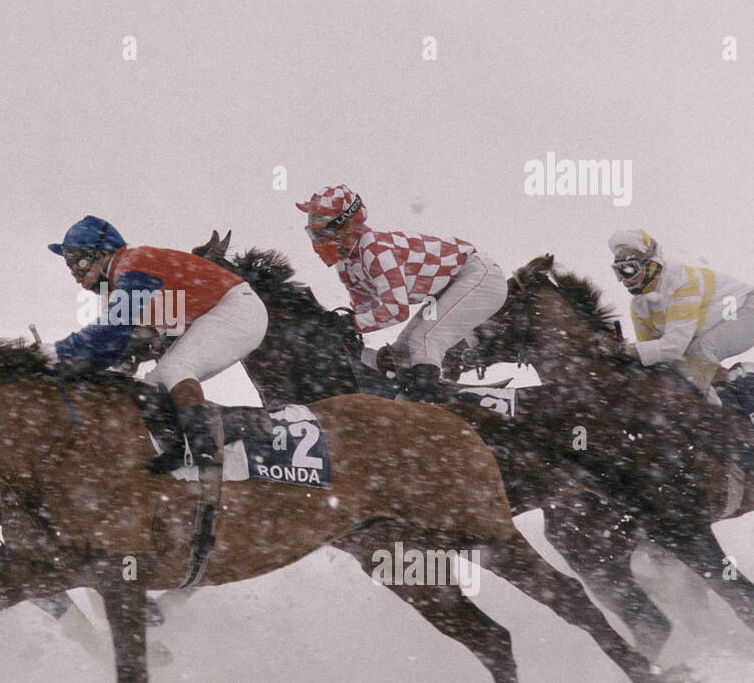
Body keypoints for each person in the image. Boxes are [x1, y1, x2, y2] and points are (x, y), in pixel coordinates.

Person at [47, 215, 268, 485]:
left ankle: (204, 449)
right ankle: (184, 446)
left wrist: (56, 352)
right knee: (152, 385)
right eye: (69, 266)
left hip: (238, 309)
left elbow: (111, 330)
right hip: (218, 313)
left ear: (104, 253)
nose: (75, 274)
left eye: (78, 261)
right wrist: (74, 365)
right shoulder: (120, 282)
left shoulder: (132, 264)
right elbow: (112, 348)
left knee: (176, 368)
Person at [298, 184, 507, 401]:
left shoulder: (375, 251)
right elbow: (363, 310)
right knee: (401, 351)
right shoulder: (346, 265)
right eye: (313, 233)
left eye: (321, 232)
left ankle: (425, 402)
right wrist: (344, 329)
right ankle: (422, 393)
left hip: (480, 276)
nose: (317, 241)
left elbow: (396, 310)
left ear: (346, 226)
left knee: (424, 338)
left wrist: (350, 324)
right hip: (446, 290)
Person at [608, 228, 754, 402]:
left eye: (628, 270)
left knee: (698, 351)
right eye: (618, 272)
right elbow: (652, 355)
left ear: (651, 264)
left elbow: (672, 347)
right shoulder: (639, 306)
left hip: (750, 310)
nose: (624, 279)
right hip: (716, 319)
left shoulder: (681, 283)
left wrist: (626, 350)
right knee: (681, 363)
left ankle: (728, 410)